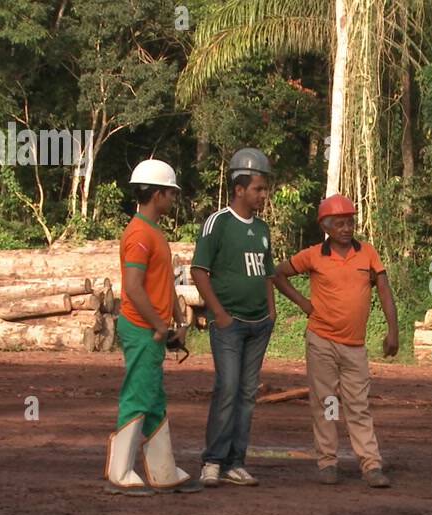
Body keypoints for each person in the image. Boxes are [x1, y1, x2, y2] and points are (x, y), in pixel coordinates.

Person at [273, 194, 399, 488]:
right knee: (327, 402)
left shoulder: (368, 254)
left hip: (355, 346)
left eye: (350, 222)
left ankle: (371, 465)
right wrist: (304, 304)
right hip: (322, 342)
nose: (346, 228)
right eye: (339, 223)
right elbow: (278, 274)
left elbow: (384, 289)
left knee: (358, 405)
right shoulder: (314, 255)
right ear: (326, 227)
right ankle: (328, 461)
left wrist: (393, 330)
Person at [104, 159, 202, 496]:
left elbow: (162, 283)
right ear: (157, 194)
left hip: (153, 327)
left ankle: (162, 471)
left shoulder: (153, 232)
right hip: (142, 327)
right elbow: (133, 287)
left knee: (154, 398)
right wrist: (160, 325)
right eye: (170, 193)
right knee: (138, 395)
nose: (173, 199)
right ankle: (120, 473)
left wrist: (176, 316)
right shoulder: (139, 235)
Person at [191, 148, 276, 487]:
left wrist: (270, 311)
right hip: (230, 325)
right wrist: (220, 314)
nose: (263, 195)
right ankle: (212, 461)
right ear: (239, 188)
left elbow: (268, 273)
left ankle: (235, 462)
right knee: (227, 388)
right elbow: (199, 271)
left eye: (264, 188)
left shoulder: (263, 228)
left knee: (246, 393)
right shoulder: (218, 223)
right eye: (258, 188)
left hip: (259, 325)